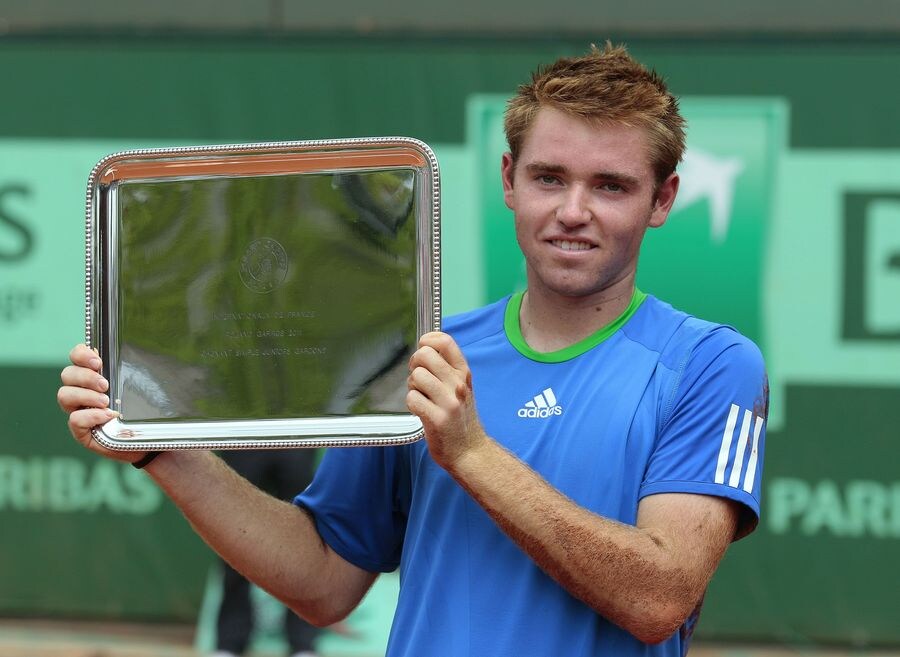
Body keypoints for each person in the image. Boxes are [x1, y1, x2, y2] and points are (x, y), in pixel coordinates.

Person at [58, 43, 768, 657]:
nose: (573, 210)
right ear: (509, 181)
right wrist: (159, 448)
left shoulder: (711, 364)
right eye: (549, 177)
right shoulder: (423, 354)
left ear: (664, 198)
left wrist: (473, 453)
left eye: (610, 186)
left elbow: (659, 596)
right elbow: (325, 579)